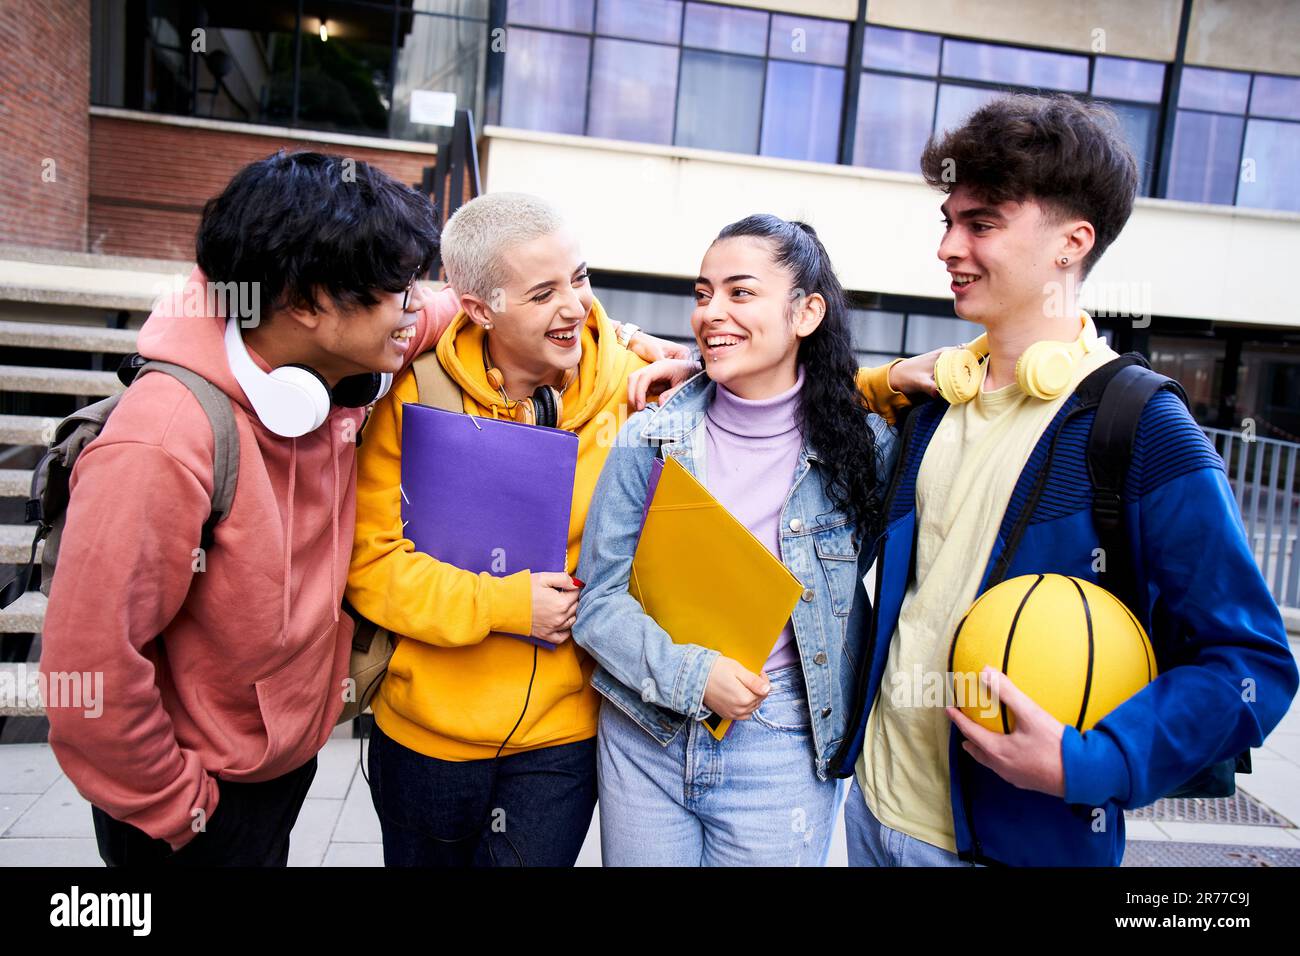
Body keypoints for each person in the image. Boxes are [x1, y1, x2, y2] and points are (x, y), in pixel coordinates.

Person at [346, 195, 930, 866]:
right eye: (543, 293)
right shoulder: (421, 396)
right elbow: (371, 565)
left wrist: (879, 381)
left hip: (565, 740)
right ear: (483, 309)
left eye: (581, 277)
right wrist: (505, 605)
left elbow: (776, 384)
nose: (576, 306)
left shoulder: (642, 393)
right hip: (428, 734)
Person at [832, 94, 1299, 866]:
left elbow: (1250, 666)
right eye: (947, 221)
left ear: (1071, 243)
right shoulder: (933, 400)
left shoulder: (1141, 426)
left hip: (1015, 846)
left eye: (981, 224)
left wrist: (1093, 764)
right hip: (872, 813)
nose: (949, 246)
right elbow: (803, 410)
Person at [40, 150, 465, 866]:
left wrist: (627, 344)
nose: (416, 307)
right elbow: (89, 669)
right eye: (398, 289)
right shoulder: (163, 440)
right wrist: (178, 808)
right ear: (303, 302)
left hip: (278, 767)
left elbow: (463, 306)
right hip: (193, 806)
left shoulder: (336, 343)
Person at [573, 213, 896, 865]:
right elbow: (597, 603)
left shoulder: (866, 450)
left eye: (740, 292)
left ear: (806, 313)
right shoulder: (649, 438)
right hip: (646, 735)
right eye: (702, 294)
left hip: (782, 748)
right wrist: (695, 675)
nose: (711, 311)